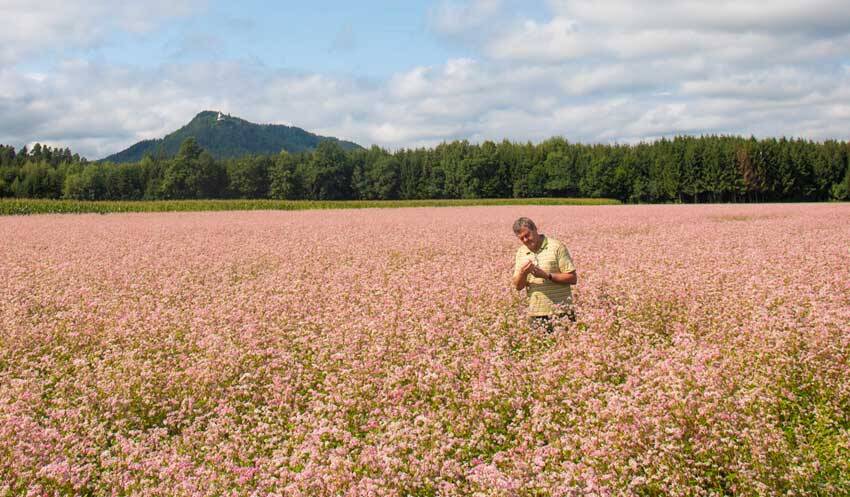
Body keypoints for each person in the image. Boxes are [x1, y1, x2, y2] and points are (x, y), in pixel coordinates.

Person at [511, 217, 577, 331]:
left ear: (535, 229)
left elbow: (572, 278)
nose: (526, 240)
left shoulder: (556, 247)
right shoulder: (521, 252)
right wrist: (523, 273)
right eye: (521, 238)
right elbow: (518, 286)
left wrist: (547, 276)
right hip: (536, 314)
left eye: (527, 235)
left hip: (561, 312)